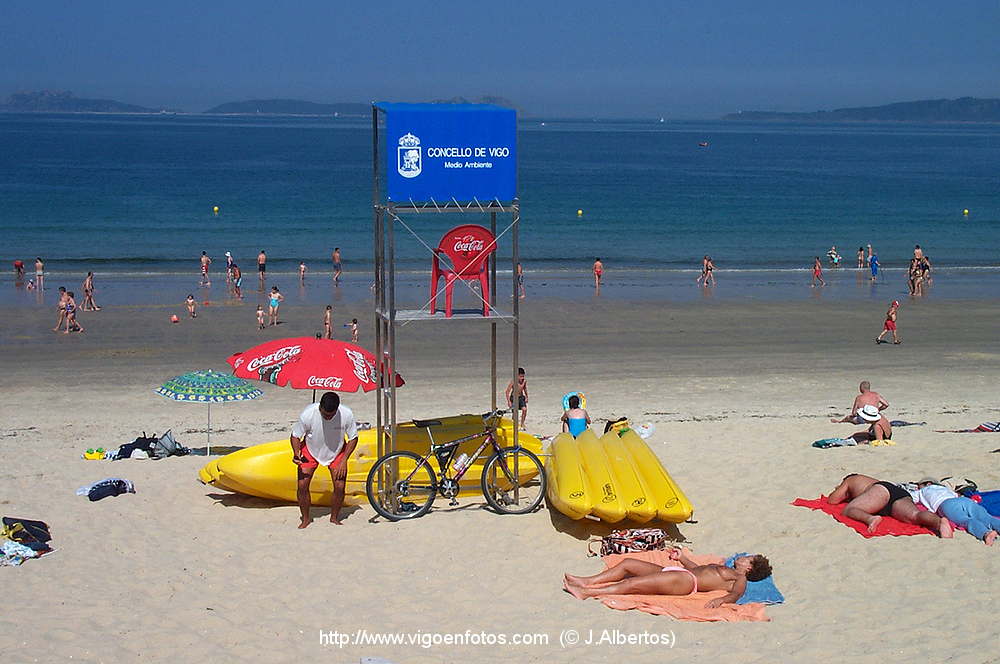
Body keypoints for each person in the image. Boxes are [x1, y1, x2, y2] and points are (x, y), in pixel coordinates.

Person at [563, 548, 772, 608]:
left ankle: (587, 592)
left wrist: (722, 600)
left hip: (686, 583)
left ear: (749, 567)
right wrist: (683, 558)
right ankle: (587, 581)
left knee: (632, 584)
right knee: (628, 564)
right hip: (681, 573)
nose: (743, 556)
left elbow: (736, 595)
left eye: (748, 558)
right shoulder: (725, 567)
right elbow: (699, 568)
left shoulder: (739, 578)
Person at [290, 391, 359, 528]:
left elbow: (353, 438)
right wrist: (297, 453)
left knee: (339, 486)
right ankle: (305, 519)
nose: (328, 417)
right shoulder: (308, 414)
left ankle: (334, 518)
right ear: (320, 407)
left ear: (337, 409)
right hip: (310, 449)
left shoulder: (346, 414)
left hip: (337, 451)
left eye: (331, 415)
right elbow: (295, 436)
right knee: (302, 485)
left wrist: (344, 460)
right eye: (325, 414)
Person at [826, 473, 952, 537]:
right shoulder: (866, 479)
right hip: (897, 491)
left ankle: (870, 518)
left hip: (881, 491)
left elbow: (833, 500)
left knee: (850, 509)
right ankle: (939, 522)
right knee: (915, 515)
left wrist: (840, 488)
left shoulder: (850, 480)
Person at [909, 478, 1000, 545]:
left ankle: (986, 533)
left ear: (928, 484)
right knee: (986, 517)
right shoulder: (945, 489)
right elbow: (956, 494)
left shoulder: (921, 491)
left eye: (919, 485)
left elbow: (909, 497)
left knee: (966, 520)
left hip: (946, 505)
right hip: (963, 500)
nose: (917, 487)